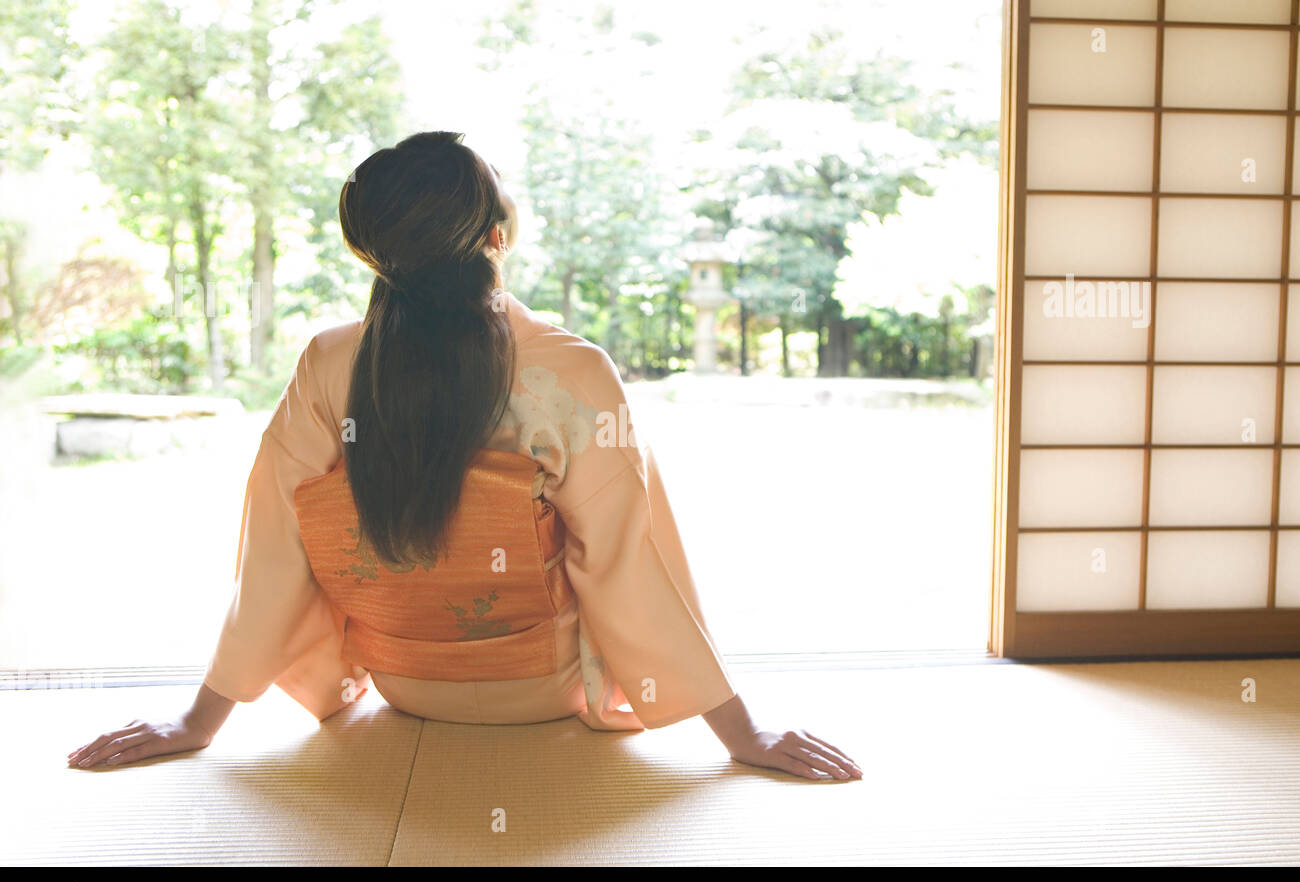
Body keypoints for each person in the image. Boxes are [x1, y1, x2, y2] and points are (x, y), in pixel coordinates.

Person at [67, 131, 861, 782]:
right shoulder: (571, 369)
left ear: (371, 252)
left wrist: (199, 717)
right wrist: (740, 730)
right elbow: (628, 562)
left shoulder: (327, 362)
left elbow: (277, 545)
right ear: (494, 236)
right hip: (546, 694)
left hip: (403, 686)